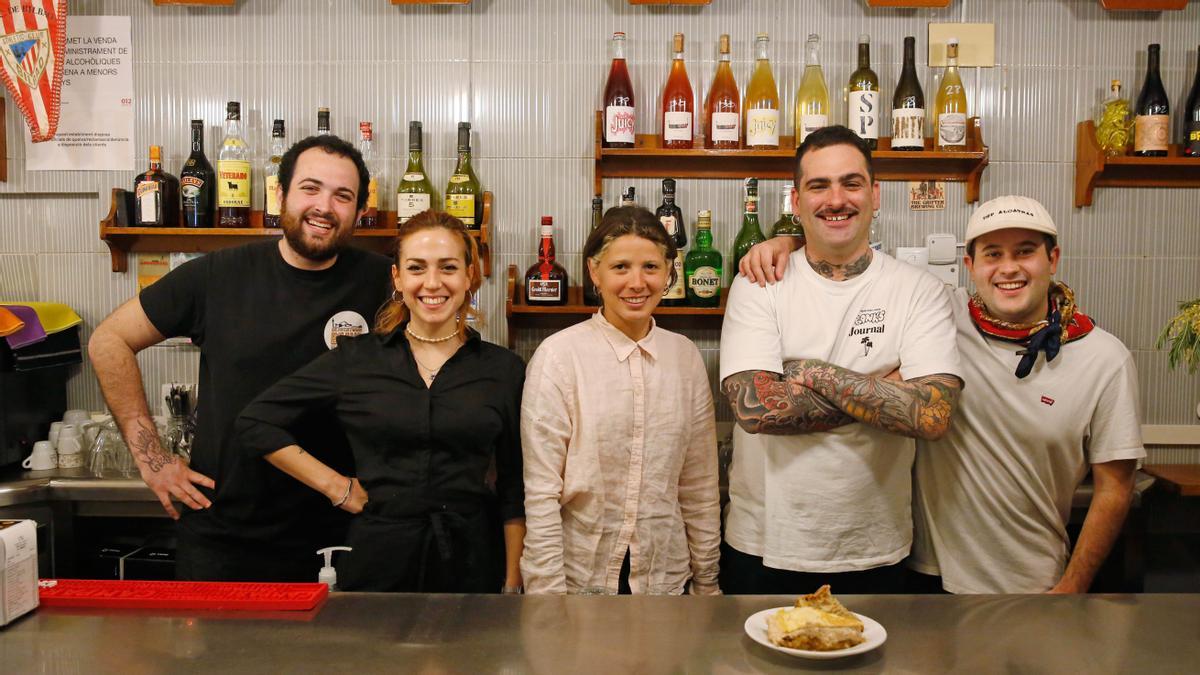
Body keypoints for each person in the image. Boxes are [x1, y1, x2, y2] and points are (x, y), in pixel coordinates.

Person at [740, 195, 1144, 594]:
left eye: (1025, 252)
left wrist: (1072, 587)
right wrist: (786, 244)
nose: (1008, 268)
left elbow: (1116, 487)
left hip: (1031, 579)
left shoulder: (1104, 359)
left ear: (1052, 259)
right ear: (970, 266)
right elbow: (845, 255)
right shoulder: (940, 315)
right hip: (920, 570)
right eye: (992, 254)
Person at [88, 134, 392, 581]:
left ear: (359, 210)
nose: (324, 206)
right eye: (310, 188)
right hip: (225, 535)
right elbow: (108, 340)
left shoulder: (384, 282)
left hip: (343, 530)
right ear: (281, 194)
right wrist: (152, 459)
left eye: (342, 195)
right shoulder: (216, 275)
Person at [718, 125, 963, 595]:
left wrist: (806, 373)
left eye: (851, 183)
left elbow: (932, 414)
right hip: (764, 543)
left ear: (875, 194)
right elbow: (757, 409)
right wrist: (882, 389)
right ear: (796, 201)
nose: (836, 199)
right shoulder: (757, 284)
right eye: (818, 185)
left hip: (876, 544)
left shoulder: (920, 292)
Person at [236, 210, 526, 593]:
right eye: (417, 268)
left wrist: (511, 581)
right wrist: (335, 486)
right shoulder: (357, 359)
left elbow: (513, 486)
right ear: (398, 278)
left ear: (470, 275)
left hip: (473, 561)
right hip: (378, 561)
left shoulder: (503, 368)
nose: (433, 282)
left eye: (449, 267)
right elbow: (255, 423)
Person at [521, 206, 721, 595]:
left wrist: (708, 581)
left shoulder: (685, 357)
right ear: (595, 273)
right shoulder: (560, 356)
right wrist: (547, 596)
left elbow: (698, 486)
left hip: (666, 576)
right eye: (620, 268)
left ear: (669, 272)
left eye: (650, 267)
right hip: (580, 578)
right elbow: (541, 491)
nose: (637, 282)